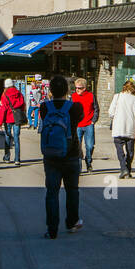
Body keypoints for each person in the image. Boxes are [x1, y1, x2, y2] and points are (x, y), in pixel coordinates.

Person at [39, 74, 83, 238]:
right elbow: (79, 119)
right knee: (72, 190)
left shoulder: (45, 107)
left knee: (52, 192)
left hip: (51, 155)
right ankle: (71, 222)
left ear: (50, 90)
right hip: (71, 154)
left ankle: (52, 229)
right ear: (67, 90)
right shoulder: (75, 107)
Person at [109, 78, 135, 178]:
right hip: (130, 128)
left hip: (118, 128)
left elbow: (111, 112)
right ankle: (128, 169)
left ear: (124, 87)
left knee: (120, 150)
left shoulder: (117, 96)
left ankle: (123, 168)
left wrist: (116, 116)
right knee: (130, 151)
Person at [71, 77, 99, 173]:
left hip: (88, 124)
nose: (77, 90)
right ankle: (78, 167)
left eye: (79, 88)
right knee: (77, 146)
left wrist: (93, 121)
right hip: (77, 125)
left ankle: (88, 161)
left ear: (84, 88)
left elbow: (96, 109)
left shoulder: (91, 96)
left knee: (90, 145)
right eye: (76, 88)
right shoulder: (73, 97)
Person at [0, 79, 25, 165]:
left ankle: (7, 157)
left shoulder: (5, 95)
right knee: (16, 138)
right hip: (17, 118)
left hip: (7, 119)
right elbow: (23, 105)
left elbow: (3, 109)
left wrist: (0, 123)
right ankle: (17, 159)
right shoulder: (19, 93)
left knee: (7, 137)